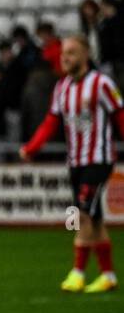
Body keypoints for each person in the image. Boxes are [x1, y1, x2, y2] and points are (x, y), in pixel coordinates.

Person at [20, 34, 123, 293]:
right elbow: (51, 122)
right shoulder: (62, 87)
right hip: (75, 161)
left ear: (86, 55)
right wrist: (32, 148)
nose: (66, 58)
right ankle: (108, 275)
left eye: (72, 53)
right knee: (94, 218)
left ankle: (77, 272)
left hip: (99, 159)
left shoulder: (101, 84)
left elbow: (120, 115)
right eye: (64, 53)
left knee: (82, 214)